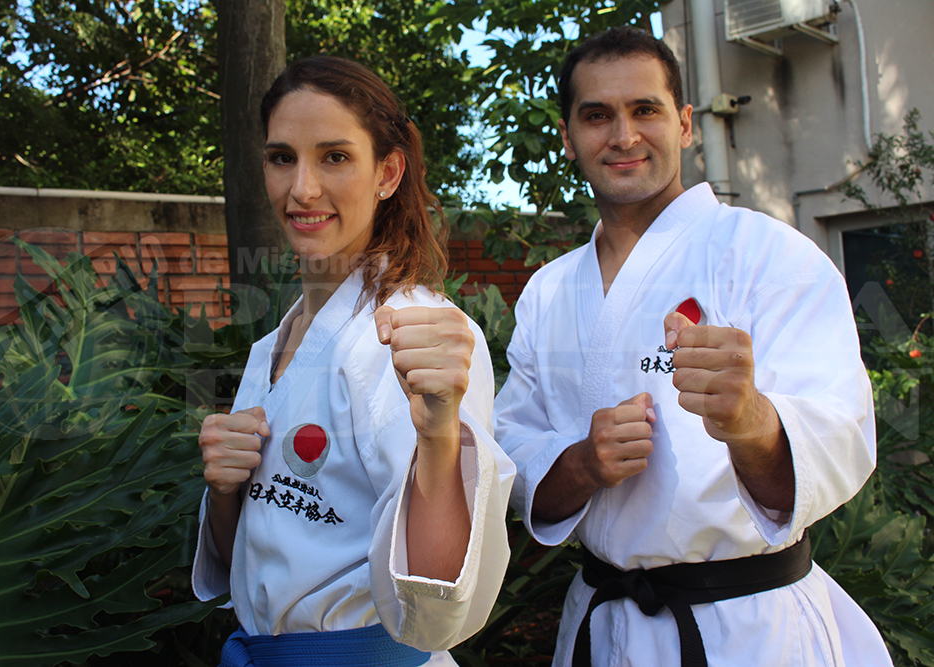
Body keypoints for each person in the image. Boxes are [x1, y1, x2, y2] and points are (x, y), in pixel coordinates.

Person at [493, 27, 892, 667]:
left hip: (749, 630)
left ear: (684, 125)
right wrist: (581, 465)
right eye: (597, 116)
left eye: (644, 110)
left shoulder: (770, 256)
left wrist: (750, 420)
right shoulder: (548, 289)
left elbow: (842, 432)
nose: (623, 136)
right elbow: (510, 449)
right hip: (601, 623)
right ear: (569, 138)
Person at [192, 55, 514, 666]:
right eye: (282, 157)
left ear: (388, 172)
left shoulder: (416, 337)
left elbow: (436, 605)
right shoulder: (274, 347)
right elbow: (254, 559)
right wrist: (227, 490)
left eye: (335, 157)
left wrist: (440, 433)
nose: (302, 188)